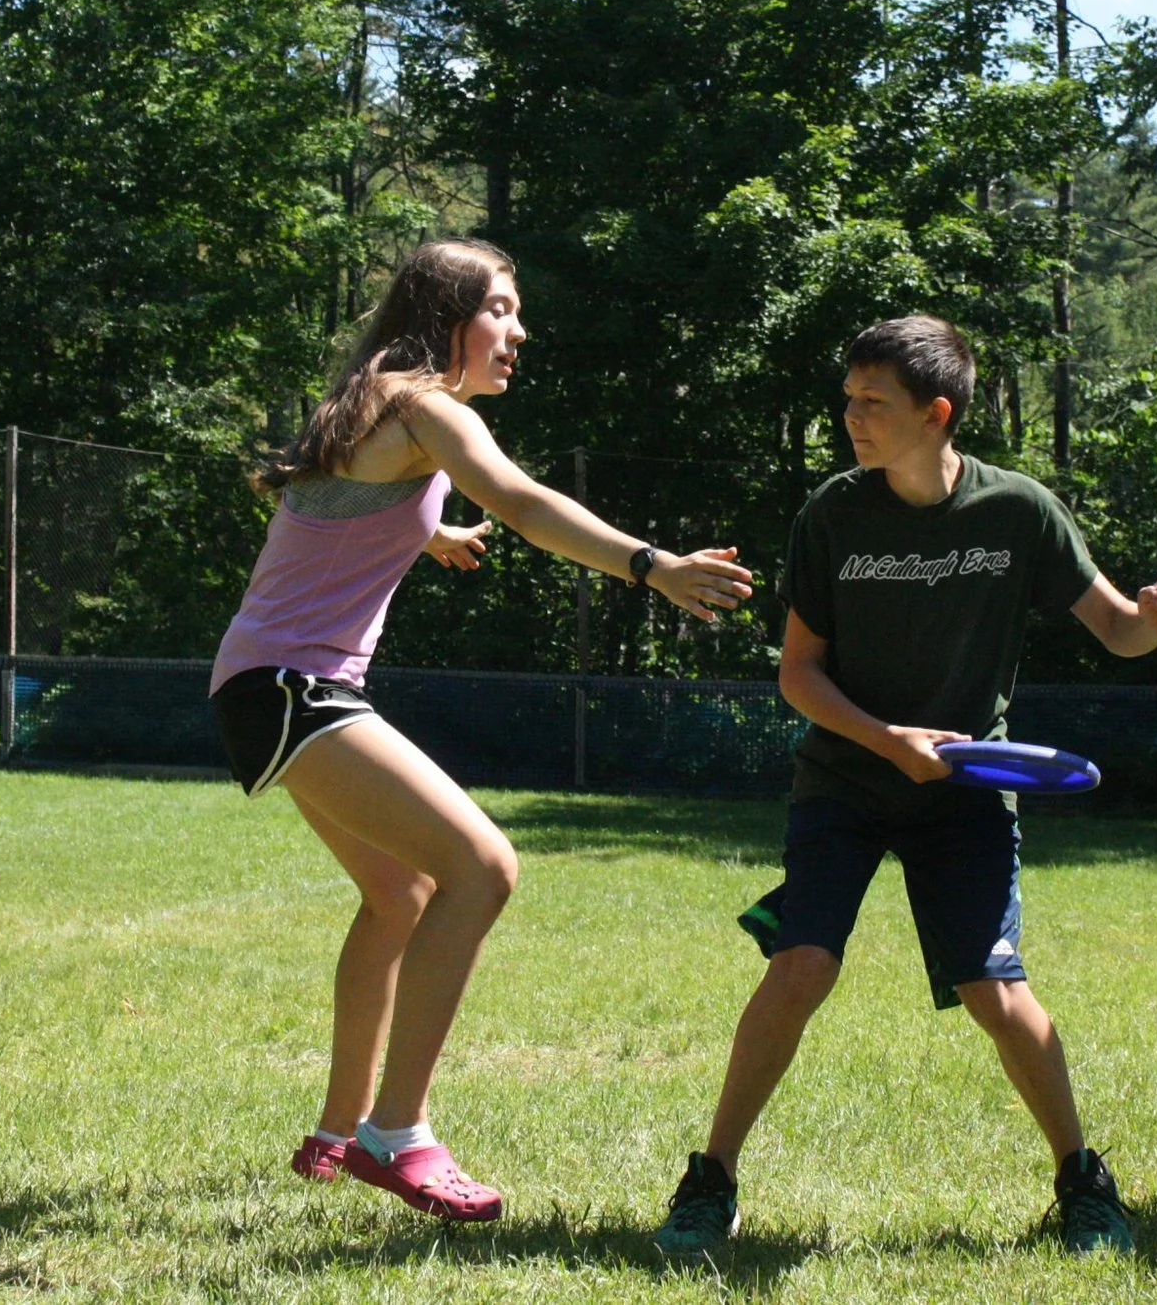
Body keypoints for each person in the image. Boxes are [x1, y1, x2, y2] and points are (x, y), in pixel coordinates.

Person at [211, 237, 755, 1222]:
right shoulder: (426, 406)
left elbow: (330, 509)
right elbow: (520, 497)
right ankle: (397, 1131)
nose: (517, 330)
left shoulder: (377, 399)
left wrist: (433, 531)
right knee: (483, 866)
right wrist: (652, 563)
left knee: (399, 892)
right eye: (500, 308)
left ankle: (335, 1132)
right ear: (445, 314)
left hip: (266, 685)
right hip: (295, 687)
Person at [651, 315, 1157, 1258]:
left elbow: (1116, 628)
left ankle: (1084, 1185)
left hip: (967, 791)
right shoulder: (832, 513)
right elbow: (798, 675)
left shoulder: (1018, 510)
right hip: (845, 780)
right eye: (849, 398)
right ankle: (711, 1181)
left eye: (874, 402)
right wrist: (885, 738)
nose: (852, 417)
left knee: (996, 989)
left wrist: (1154, 621)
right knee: (802, 967)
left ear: (936, 414)